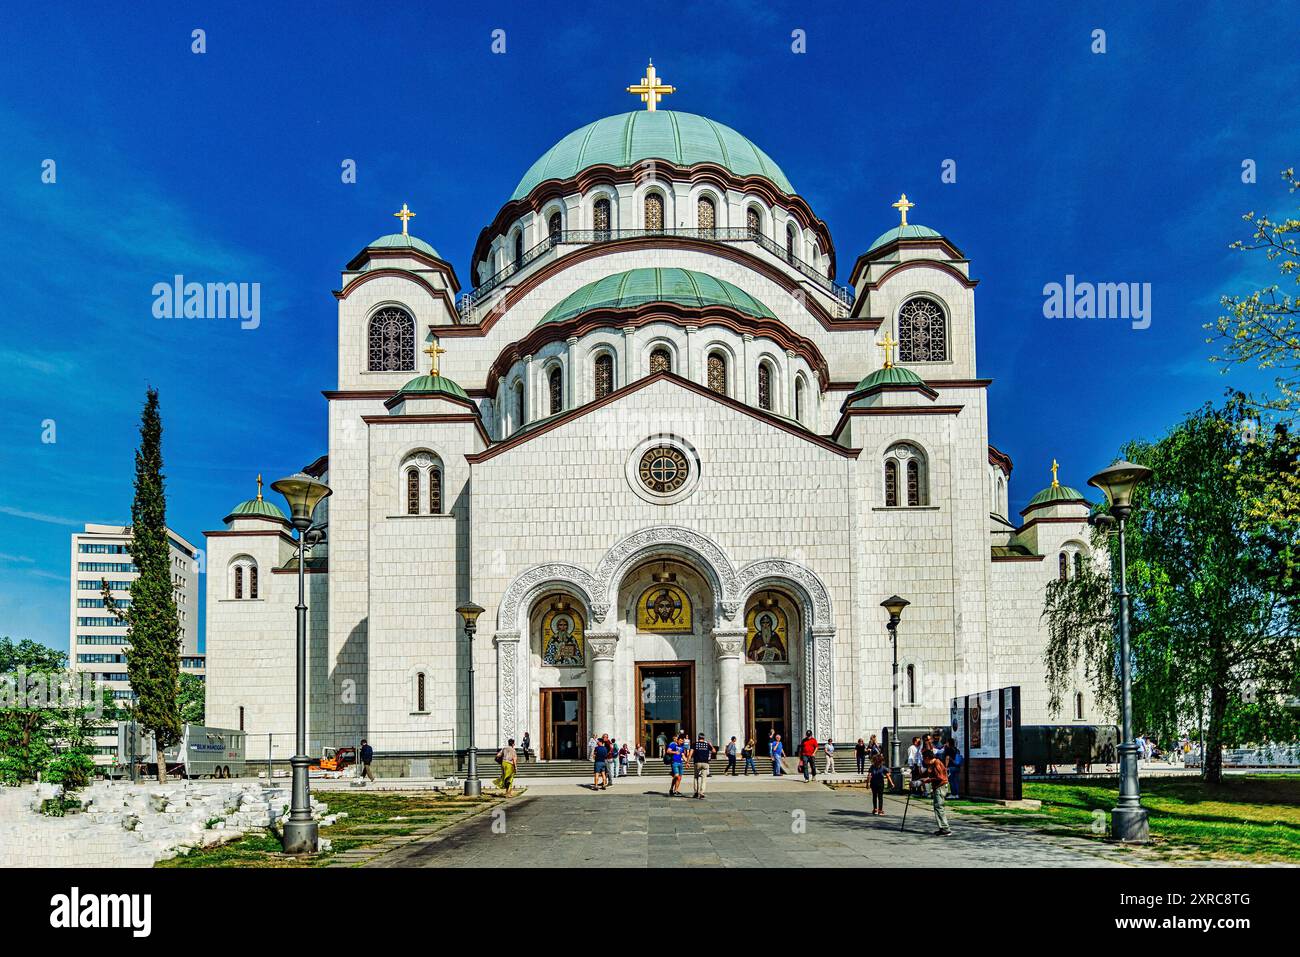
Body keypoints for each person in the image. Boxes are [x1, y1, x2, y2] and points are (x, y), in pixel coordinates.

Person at [920, 750, 951, 835]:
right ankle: (941, 828)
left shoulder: (937, 763)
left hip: (940, 787)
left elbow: (940, 777)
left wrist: (928, 780)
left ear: (927, 758)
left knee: (939, 807)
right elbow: (927, 773)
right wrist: (920, 779)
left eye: (923, 758)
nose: (923, 760)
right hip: (937, 787)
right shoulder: (931, 764)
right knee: (937, 807)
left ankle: (945, 828)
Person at [692, 733, 717, 799]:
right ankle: (702, 793)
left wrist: (687, 761)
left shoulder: (695, 744)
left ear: (698, 738)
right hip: (705, 763)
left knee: (696, 777)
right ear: (704, 738)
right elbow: (714, 751)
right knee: (704, 778)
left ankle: (696, 792)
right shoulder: (707, 744)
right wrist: (711, 745)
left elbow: (691, 752)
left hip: (697, 762)